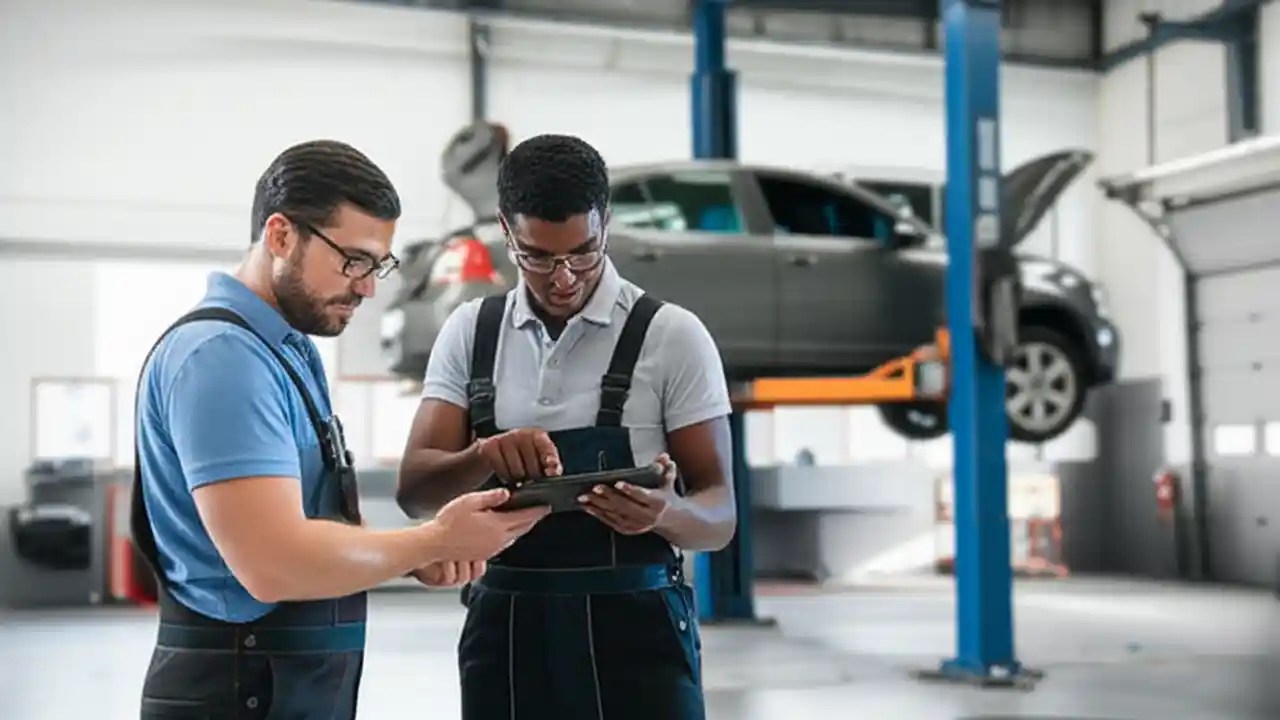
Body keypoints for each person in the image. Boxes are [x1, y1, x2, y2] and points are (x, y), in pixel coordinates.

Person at [131, 139, 550, 719]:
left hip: (281, 688)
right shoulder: (224, 358)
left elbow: (306, 523)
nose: (369, 286)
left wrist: (405, 554)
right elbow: (273, 560)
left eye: (378, 264)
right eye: (353, 260)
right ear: (280, 236)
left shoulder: (283, 350)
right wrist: (433, 541)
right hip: (239, 693)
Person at [397, 133, 738, 720]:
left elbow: (721, 515)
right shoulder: (470, 333)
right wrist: (485, 454)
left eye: (584, 252)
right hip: (506, 629)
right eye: (537, 256)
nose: (563, 277)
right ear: (506, 232)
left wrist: (667, 514)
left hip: (638, 633)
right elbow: (415, 493)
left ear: (605, 224)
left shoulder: (672, 336)